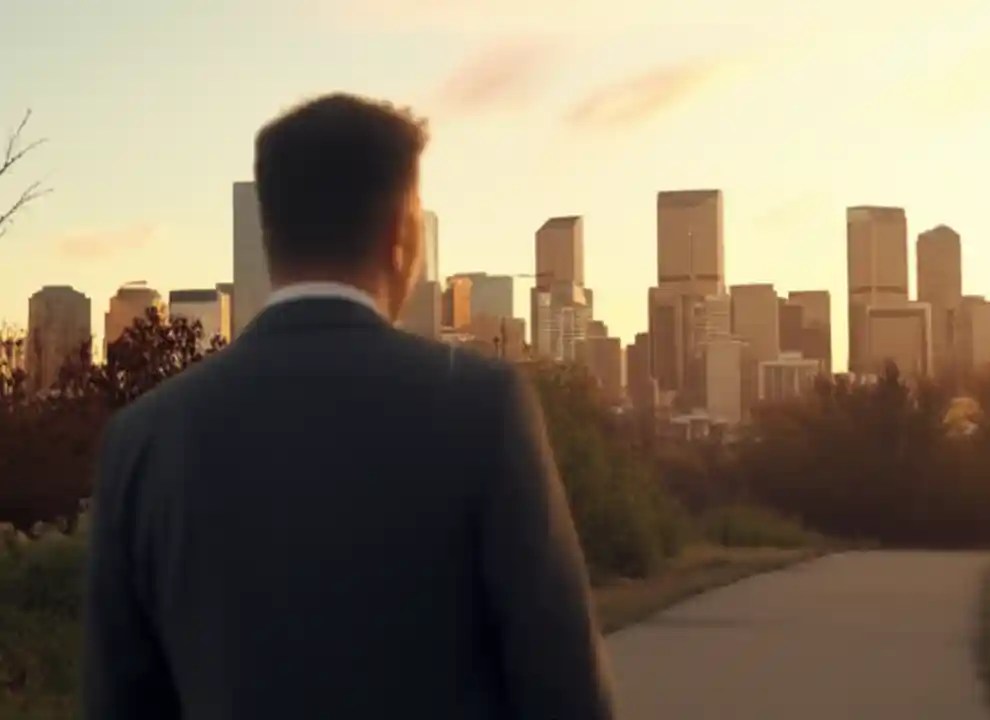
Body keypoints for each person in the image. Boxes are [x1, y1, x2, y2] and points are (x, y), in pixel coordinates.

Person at [83, 93, 615, 719]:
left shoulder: (143, 437)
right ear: (400, 234)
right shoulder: (482, 407)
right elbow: (564, 694)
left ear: (269, 233)